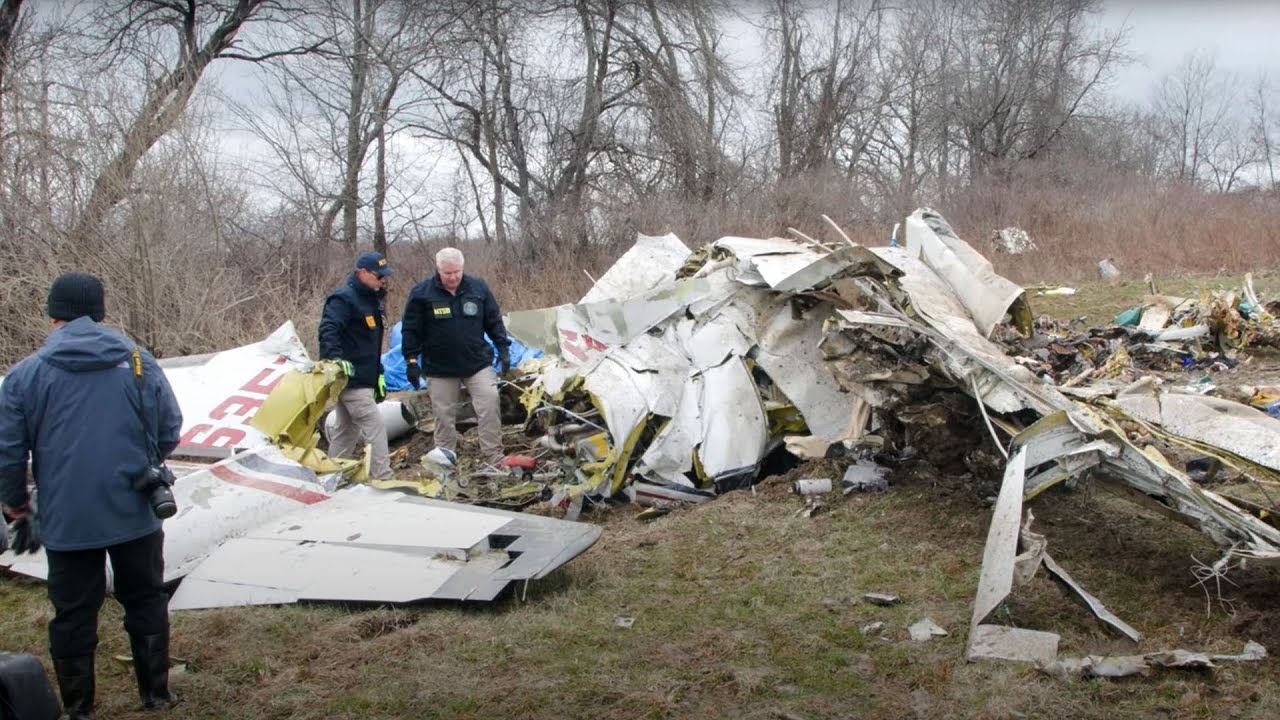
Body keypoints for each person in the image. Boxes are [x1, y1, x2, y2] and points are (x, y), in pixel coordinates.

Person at [0, 272, 183, 718]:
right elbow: (169, 429)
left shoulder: (25, 376)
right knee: (145, 598)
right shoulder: (140, 362)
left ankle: (80, 710)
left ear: (52, 314)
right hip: (136, 505)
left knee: (73, 614)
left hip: (67, 515)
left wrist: (16, 503)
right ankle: (156, 695)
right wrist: (144, 463)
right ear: (100, 312)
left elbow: (7, 450)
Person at [401, 247, 510, 466]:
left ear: (462, 268)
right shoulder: (422, 294)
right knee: (443, 415)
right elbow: (411, 330)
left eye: (457, 272)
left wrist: (503, 348)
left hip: (476, 362)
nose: (453, 277)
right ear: (438, 270)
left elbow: (493, 321)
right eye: (447, 273)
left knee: (489, 402)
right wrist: (411, 361)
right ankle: (445, 458)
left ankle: (493, 455)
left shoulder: (478, 288)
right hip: (440, 368)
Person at [319, 251, 395, 481]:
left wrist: (378, 375)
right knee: (375, 425)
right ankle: (382, 476)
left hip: (365, 375)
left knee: (346, 429)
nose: (383, 280)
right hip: (350, 378)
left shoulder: (371, 299)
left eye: (385, 276)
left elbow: (369, 344)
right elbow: (328, 330)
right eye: (379, 276)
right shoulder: (344, 298)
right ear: (362, 273)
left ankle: (332, 476)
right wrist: (335, 361)